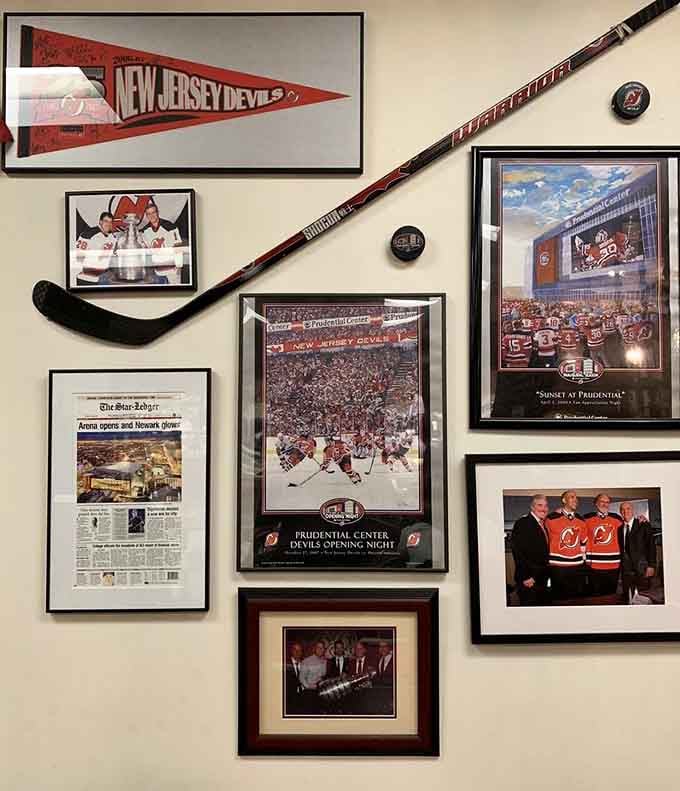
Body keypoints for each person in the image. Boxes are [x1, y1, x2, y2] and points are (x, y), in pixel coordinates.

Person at [545, 490, 587, 601]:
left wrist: (583, 562)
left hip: (577, 566)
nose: (575, 500)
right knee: (559, 600)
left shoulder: (581, 520)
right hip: (558, 567)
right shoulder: (550, 518)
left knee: (577, 600)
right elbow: (544, 541)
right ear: (564, 500)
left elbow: (583, 543)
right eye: (572, 497)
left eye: (576, 498)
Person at [510, 494, 551, 606]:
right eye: (540, 505)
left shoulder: (543, 524)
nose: (544, 508)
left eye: (546, 506)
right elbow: (518, 551)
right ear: (532, 507)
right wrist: (526, 576)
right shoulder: (523, 523)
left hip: (541, 577)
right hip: (529, 579)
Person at [583, 494, 623, 596]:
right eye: (602, 501)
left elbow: (630, 525)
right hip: (594, 564)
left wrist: (641, 519)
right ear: (596, 503)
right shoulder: (586, 518)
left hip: (613, 564)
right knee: (595, 595)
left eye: (607, 502)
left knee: (611, 595)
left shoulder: (617, 518)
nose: (605, 504)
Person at [618, 502, 656, 603]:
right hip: (626, 571)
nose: (625, 511)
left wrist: (651, 565)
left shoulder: (643, 524)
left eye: (628, 508)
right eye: (622, 509)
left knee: (644, 598)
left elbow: (651, 546)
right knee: (628, 598)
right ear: (620, 512)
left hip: (642, 568)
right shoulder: (619, 529)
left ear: (633, 510)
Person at [285, 642, 305, 715]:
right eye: (295, 650)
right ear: (291, 651)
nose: (297, 652)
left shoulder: (305, 665)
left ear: (302, 652)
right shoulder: (285, 665)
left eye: (299, 650)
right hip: (289, 700)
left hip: (303, 699)